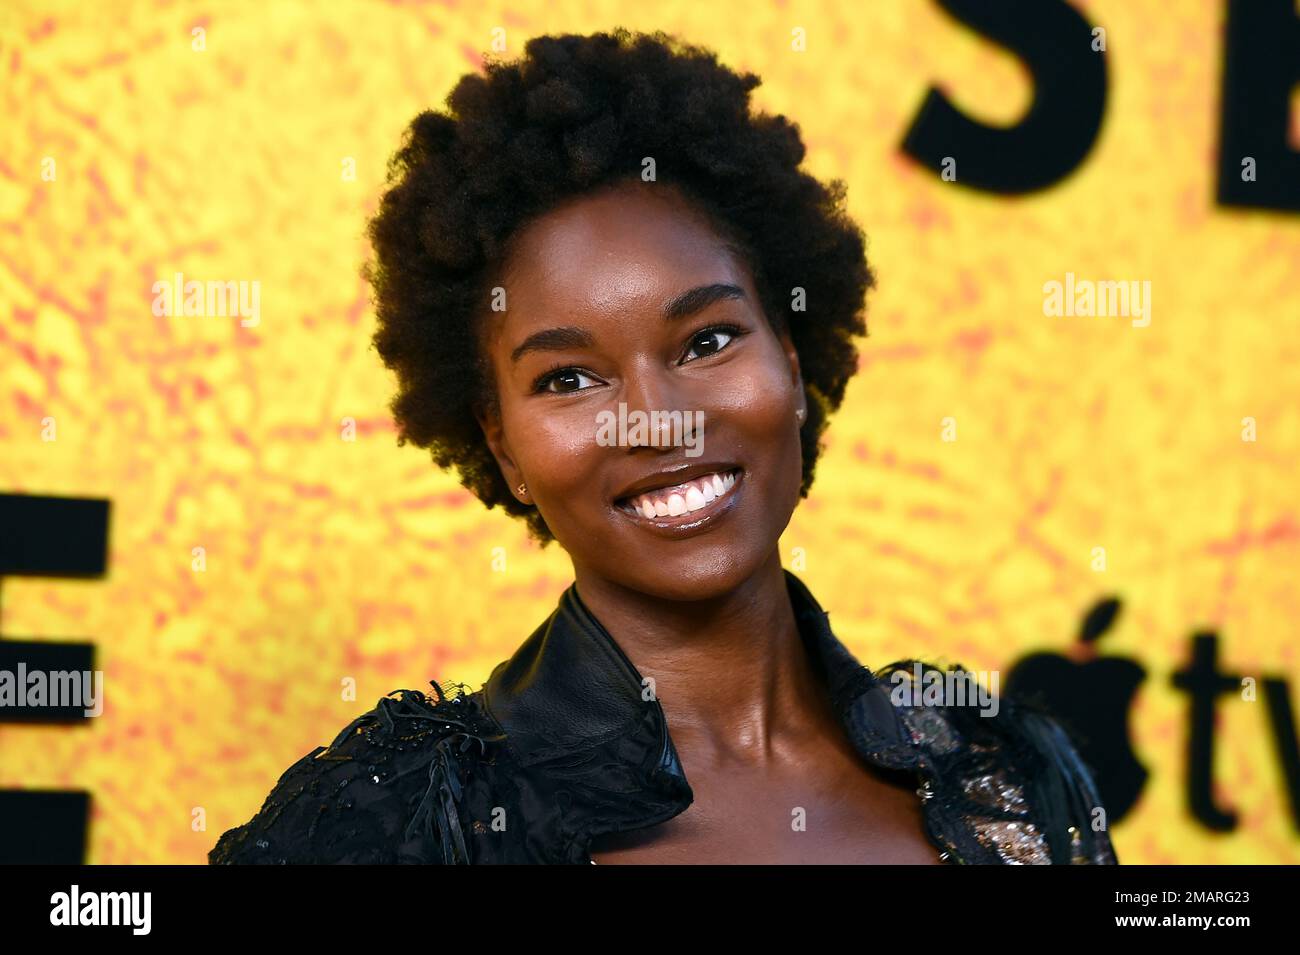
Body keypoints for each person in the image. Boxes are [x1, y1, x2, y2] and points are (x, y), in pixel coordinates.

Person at [209, 28, 1118, 865]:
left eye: (708, 341)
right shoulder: (402, 825)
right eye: (568, 378)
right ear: (505, 448)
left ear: (792, 362)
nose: (657, 417)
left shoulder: (1004, 768)